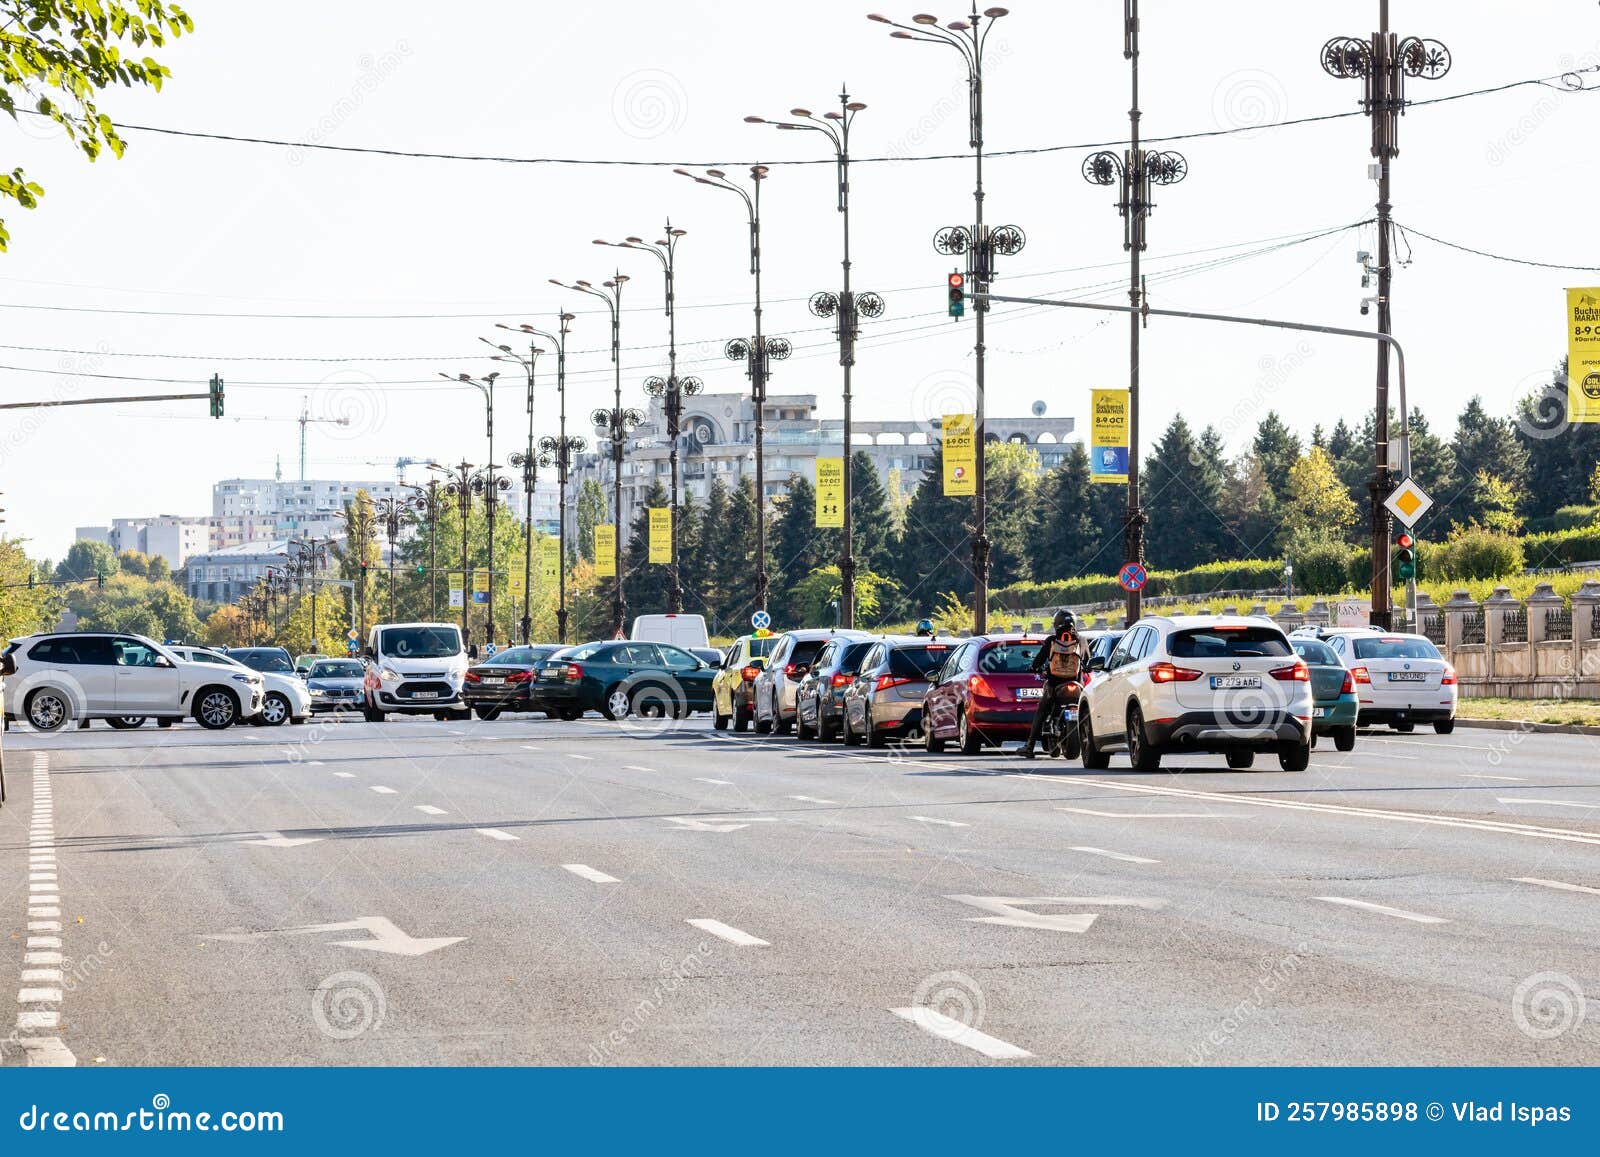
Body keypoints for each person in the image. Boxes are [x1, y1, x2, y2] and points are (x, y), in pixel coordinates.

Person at [1020, 610, 1089, 759]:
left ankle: (1029, 746)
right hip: (1076, 684)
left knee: (1041, 710)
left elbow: (1039, 660)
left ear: (1056, 623)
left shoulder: (1052, 640)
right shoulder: (1082, 640)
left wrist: (1033, 667)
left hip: (1054, 685)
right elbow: (1088, 661)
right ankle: (1089, 743)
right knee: (1085, 710)